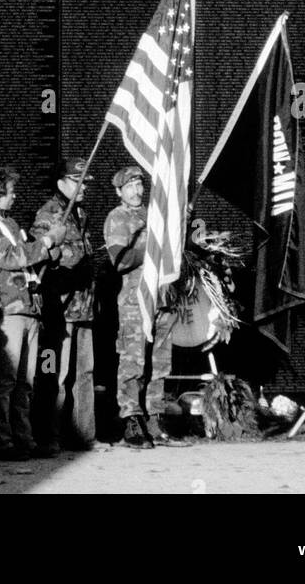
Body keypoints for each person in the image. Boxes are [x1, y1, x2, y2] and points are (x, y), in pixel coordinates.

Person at [0, 164, 65, 459]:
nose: (15, 196)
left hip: (27, 307)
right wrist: (46, 243)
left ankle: (25, 438)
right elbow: (9, 257)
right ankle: (1, 441)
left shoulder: (9, 223)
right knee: (4, 380)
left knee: (26, 381)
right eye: (11, 191)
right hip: (4, 308)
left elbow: (28, 258)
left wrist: (50, 251)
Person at [103, 165, 173, 449]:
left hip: (163, 298)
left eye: (140, 185)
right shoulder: (117, 218)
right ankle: (132, 419)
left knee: (160, 363)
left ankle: (155, 418)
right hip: (134, 300)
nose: (137, 190)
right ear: (119, 191)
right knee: (132, 361)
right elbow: (119, 260)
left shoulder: (154, 216)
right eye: (130, 186)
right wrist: (151, 247)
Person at [31, 158, 96, 452]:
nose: (82, 187)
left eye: (85, 182)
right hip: (60, 307)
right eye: (76, 181)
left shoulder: (81, 213)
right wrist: (73, 255)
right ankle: (49, 435)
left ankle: (82, 435)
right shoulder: (50, 213)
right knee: (54, 374)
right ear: (61, 183)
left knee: (84, 373)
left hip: (84, 305)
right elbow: (42, 251)